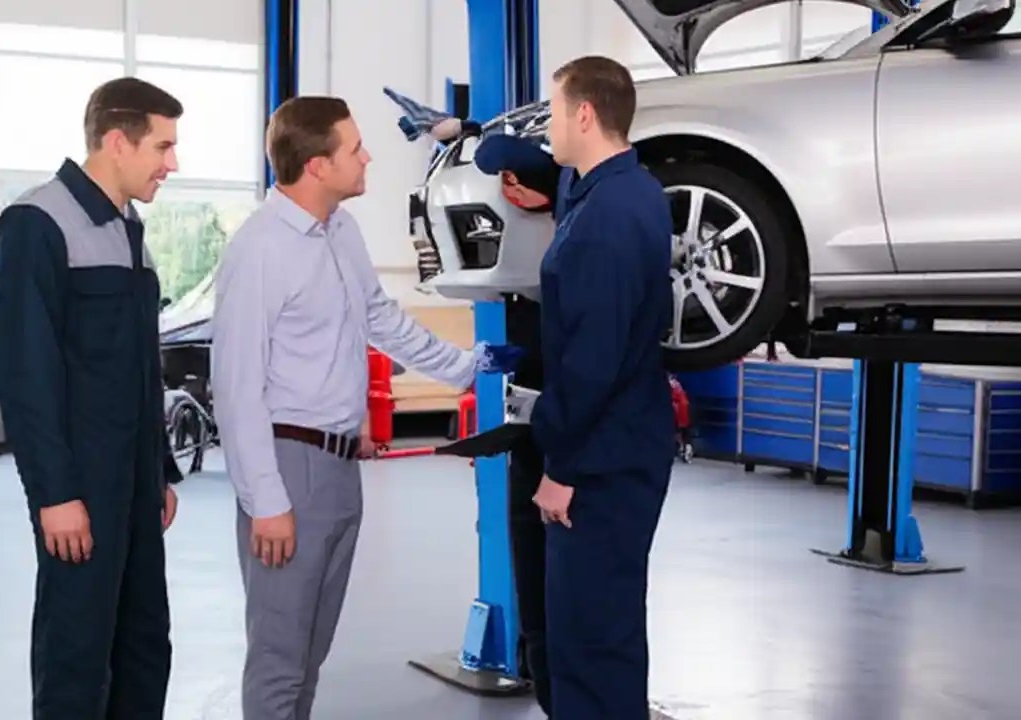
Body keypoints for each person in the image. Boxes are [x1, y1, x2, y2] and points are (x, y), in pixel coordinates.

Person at [211, 95, 515, 720]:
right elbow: (236, 386)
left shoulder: (340, 232)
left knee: (310, 654)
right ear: (317, 166)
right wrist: (264, 502)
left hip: (342, 466)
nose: (368, 155)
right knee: (279, 657)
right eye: (354, 148)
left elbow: (381, 319)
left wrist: (466, 366)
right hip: (288, 469)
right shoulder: (260, 249)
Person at [0, 76, 185, 720]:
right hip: (80, 486)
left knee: (144, 643)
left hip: (133, 485)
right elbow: (24, 372)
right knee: (77, 651)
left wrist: (157, 473)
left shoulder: (129, 230)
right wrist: (54, 494)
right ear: (117, 142)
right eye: (162, 146)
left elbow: (138, 369)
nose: (172, 163)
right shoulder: (37, 222)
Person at [528, 56, 676, 720]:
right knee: (602, 632)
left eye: (554, 113)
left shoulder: (607, 214)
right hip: (626, 445)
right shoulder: (625, 190)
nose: (549, 128)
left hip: (601, 462)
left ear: (584, 114)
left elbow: (593, 359)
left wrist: (561, 466)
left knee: (591, 645)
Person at [474, 132, 565, 717]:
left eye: (515, 180)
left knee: (571, 600)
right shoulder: (520, 255)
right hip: (527, 440)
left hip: (571, 449)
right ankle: (546, 682)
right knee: (532, 584)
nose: (508, 192)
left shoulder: (577, 247)